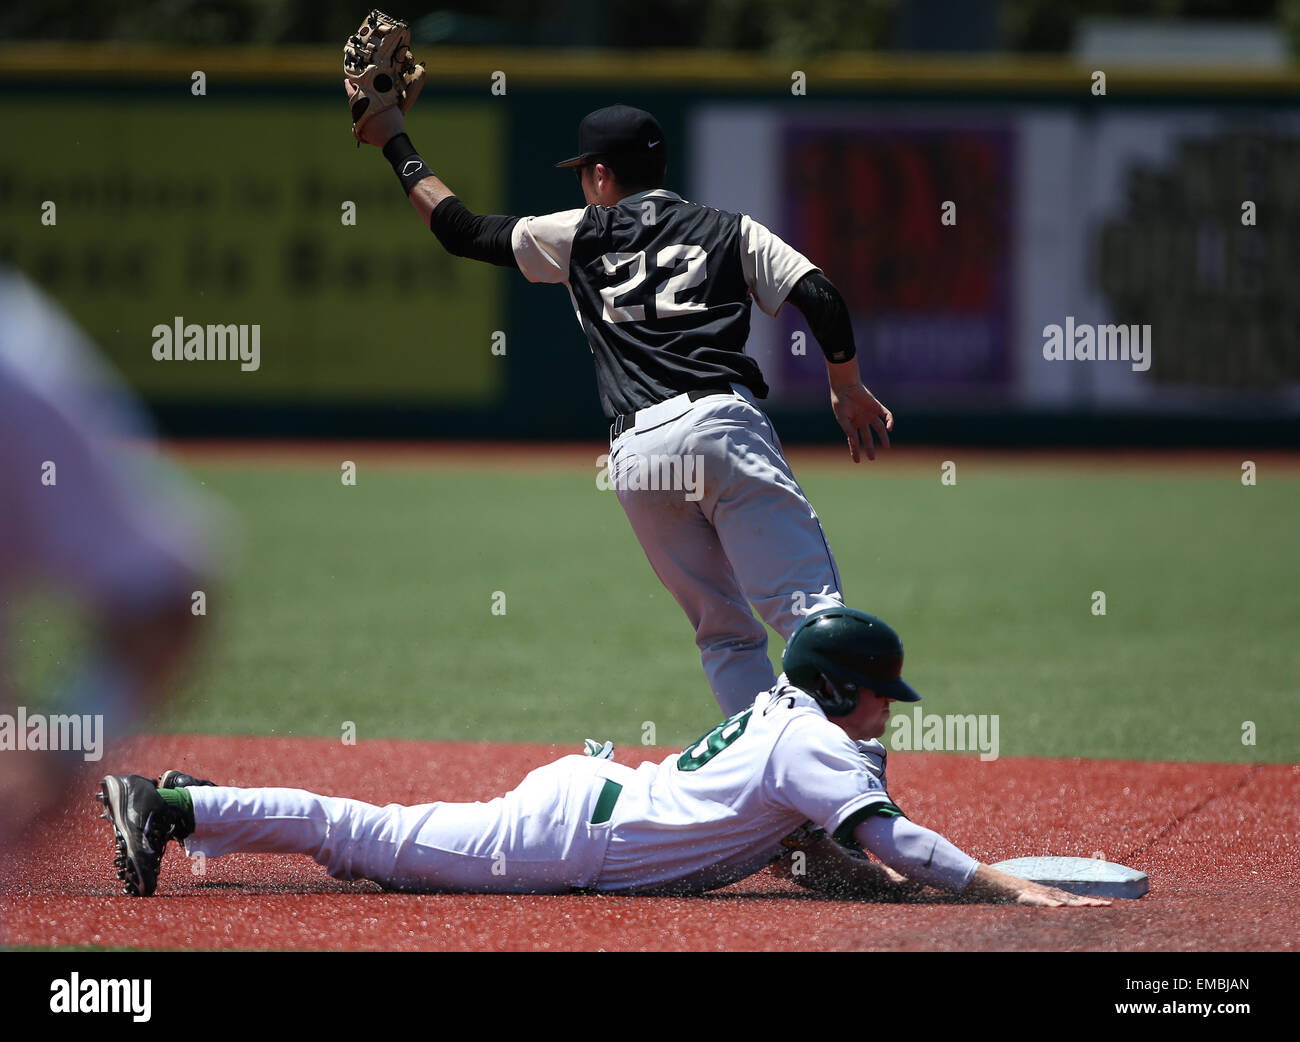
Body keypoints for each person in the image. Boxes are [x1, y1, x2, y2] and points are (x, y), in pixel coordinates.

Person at [346, 92, 896, 716]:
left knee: (724, 633)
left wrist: (394, 138)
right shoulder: (729, 228)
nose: (584, 185)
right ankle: (847, 785)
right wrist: (846, 387)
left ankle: (768, 795)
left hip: (637, 455)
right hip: (720, 425)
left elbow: (461, 229)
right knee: (814, 617)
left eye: (584, 172)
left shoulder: (580, 234)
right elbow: (820, 295)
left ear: (602, 174)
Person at [96, 609, 1106, 907]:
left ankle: (202, 802)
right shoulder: (817, 746)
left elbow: (805, 856)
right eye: (884, 688)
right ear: (846, 687)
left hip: (593, 797)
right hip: (571, 834)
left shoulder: (790, 720)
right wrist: (995, 887)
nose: (893, 706)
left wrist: (893, 898)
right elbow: (897, 837)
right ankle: (165, 808)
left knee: (376, 835)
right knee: (370, 840)